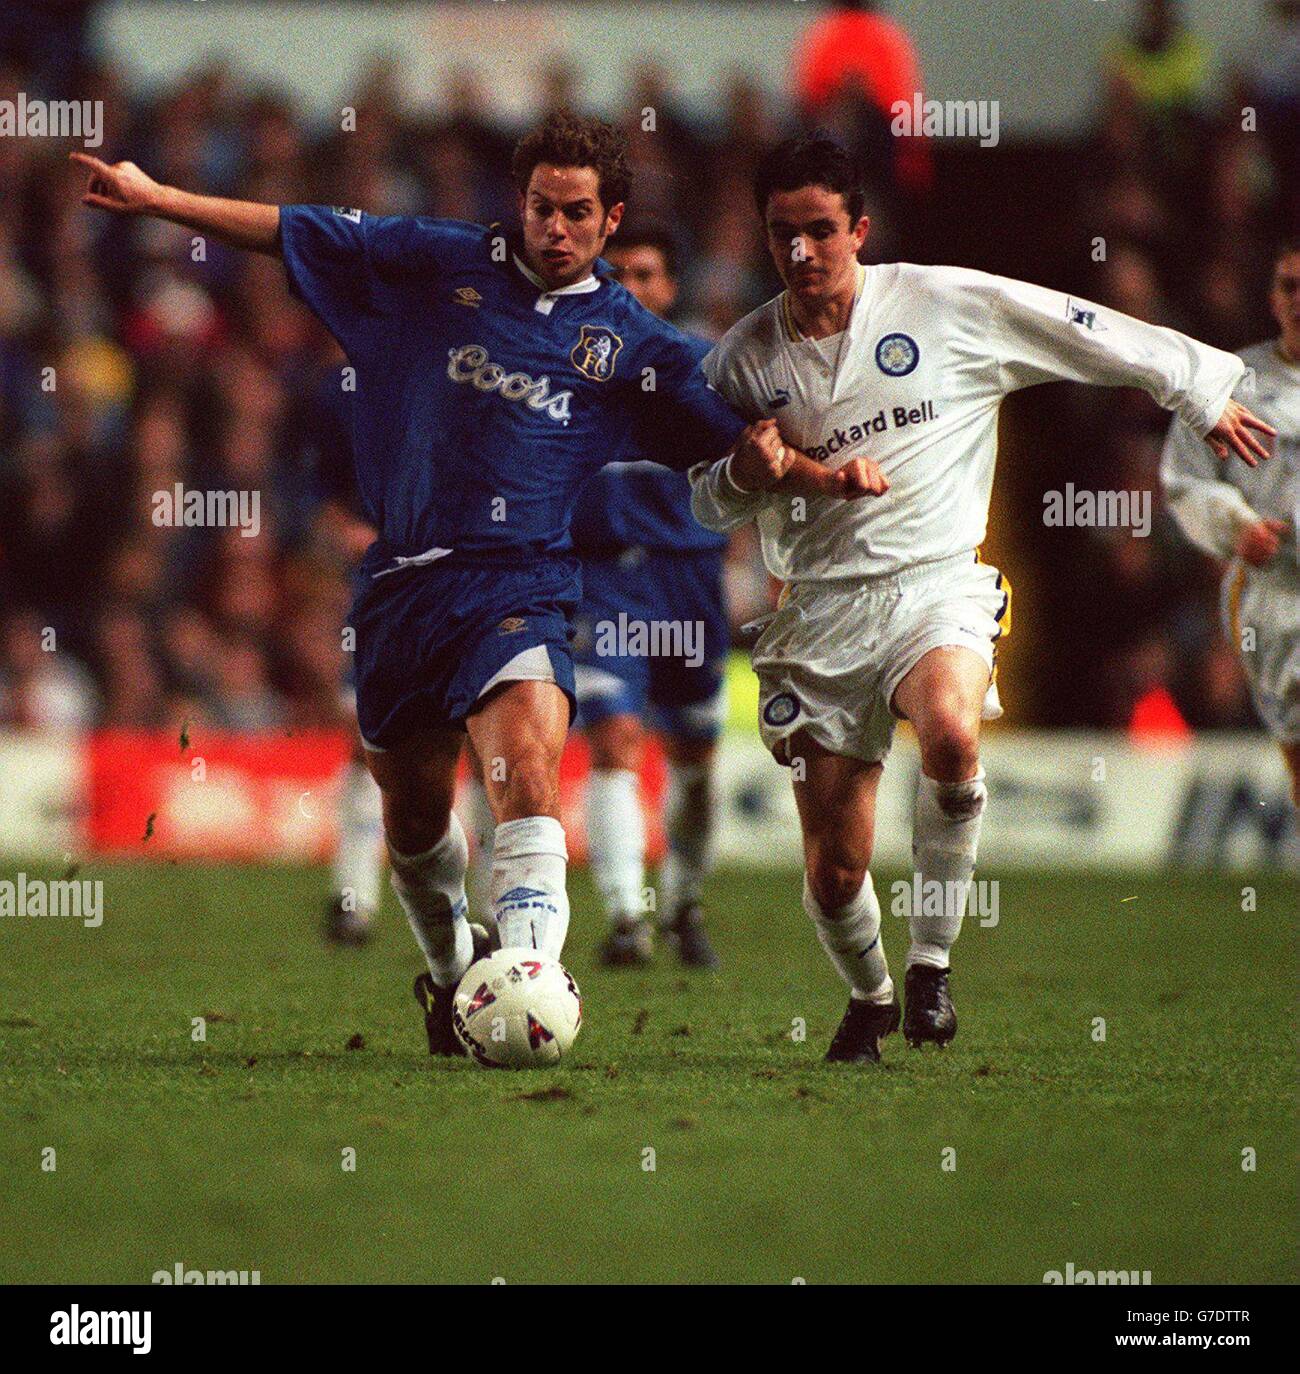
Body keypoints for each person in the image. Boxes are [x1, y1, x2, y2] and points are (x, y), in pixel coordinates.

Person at [70, 114, 854, 1057]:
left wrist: (811, 471)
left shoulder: (635, 346)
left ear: (611, 220)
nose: (552, 230)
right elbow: (292, 227)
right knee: (412, 816)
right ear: (517, 205)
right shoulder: (434, 260)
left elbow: (744, 440)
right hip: (402, 586)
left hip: (522, 581)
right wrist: (158, 201)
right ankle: (450, 977)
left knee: (529, 776)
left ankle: (525, 986)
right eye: (538, 209)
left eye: (574, 213)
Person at [690, 134, 1274, 1064]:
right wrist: (737, 472)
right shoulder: (740, 361)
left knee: (955, 734)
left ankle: (931, 965)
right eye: (781, 235)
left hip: (936, 586)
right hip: (817, 614)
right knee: (835, 872)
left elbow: (1081, 325)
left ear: (861, 230)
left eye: (820, 232)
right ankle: (871, 993)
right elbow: (702, 496)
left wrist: (1197, 387)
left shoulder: (943, 303)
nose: (801, 254)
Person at [1162, 239, 1299, 806]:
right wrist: (1234, 524)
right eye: (1290, 286)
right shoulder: (1236, 385)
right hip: (1276, 596)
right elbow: (1183, 479)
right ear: (1272, 298)